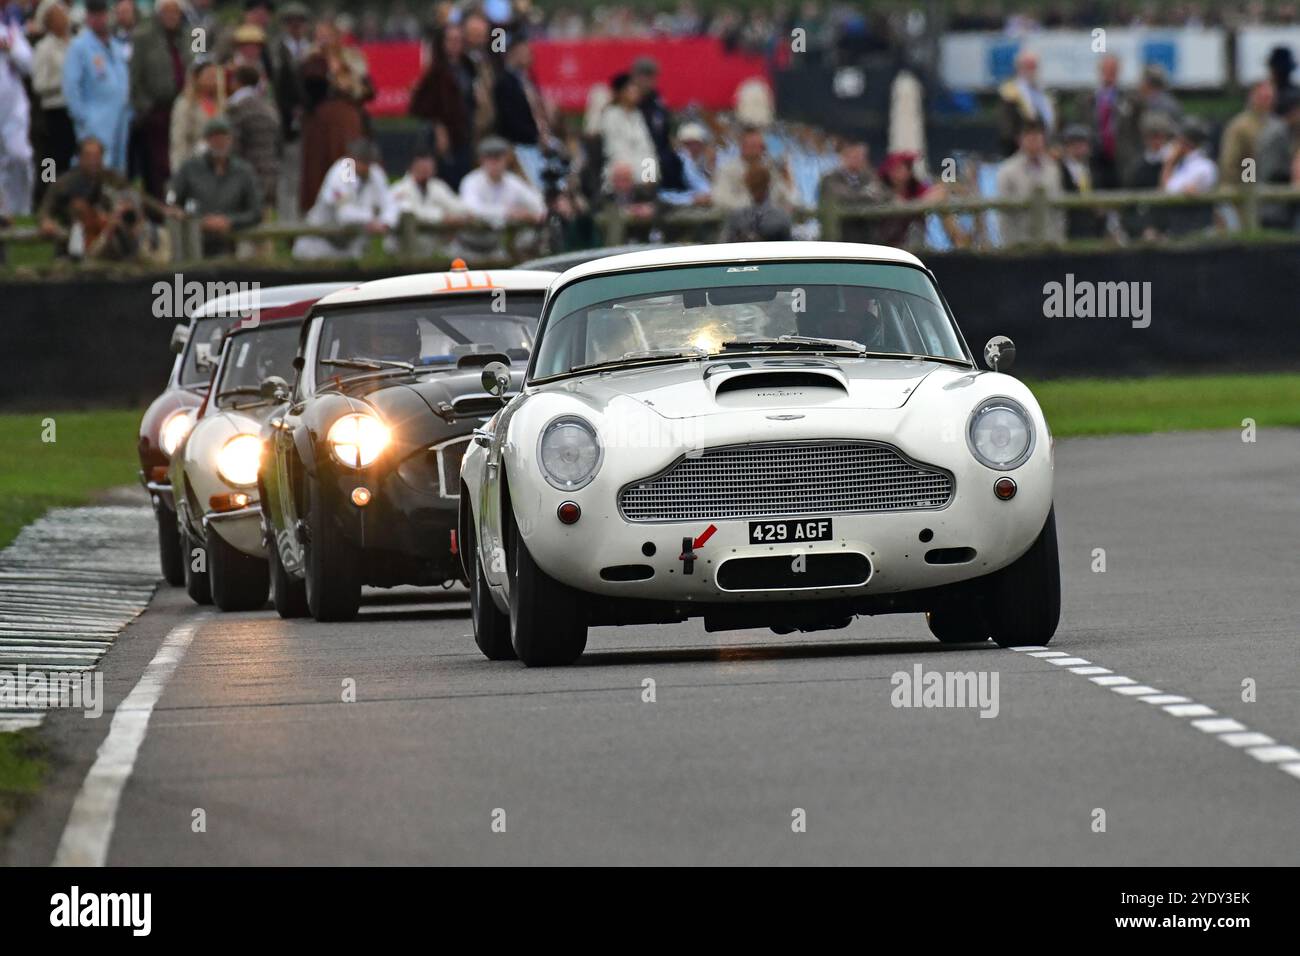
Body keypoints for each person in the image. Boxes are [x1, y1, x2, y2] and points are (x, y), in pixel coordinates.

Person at [298, 18, 371, 214]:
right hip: (320, 124)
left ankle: (350, 204)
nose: (325, 40)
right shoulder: (311, 61)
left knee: (347, 161)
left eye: (328, 35)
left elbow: (368, 91)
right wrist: (328, 68)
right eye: (320, 36)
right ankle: (316, 212)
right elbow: (310, 88)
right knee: (319, 167)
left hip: (347, 124)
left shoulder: (353, 59)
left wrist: (350, 81)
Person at [170, 116, 263, 256]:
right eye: (214, 138)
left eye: (223, 138)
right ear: (207, 141)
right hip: (196, 241)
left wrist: (229, 221)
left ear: (230, 140)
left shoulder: (244, 172)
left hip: (233, 244)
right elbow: (172, 200)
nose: (219, 142)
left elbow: (256, 212)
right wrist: (198, 220)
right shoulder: (189, 169)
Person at [293, 138, 398, 260]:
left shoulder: (374, 172)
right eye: (363, 162)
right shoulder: (341, 171)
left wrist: (386, 222)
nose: (367, 167)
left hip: (348, 249)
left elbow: (389, 202)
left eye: (369, 162)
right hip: (319, 245)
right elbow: (344, 214)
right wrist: (371, 220)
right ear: (351, 158)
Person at [128, 0, 190, 199]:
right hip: (156, 111)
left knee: (181, 160)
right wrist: (144, 107)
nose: (172, 16)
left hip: (183, 108)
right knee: (156, 166)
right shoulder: (143, 36)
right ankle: (157, 210)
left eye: (176, 12)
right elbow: (134, 77)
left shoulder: (190, 35)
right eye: (168, 11)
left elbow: (197, 62)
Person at [409, 22, 474, 189]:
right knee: (444, 177)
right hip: (444, 134)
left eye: (459, 39)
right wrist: (439, 127)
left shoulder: (467, 67)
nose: (455, 44)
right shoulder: (436, 71)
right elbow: (422, 106)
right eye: (451, 40)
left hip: (465, 131)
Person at [38, 136, 128, 255]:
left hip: (110, 234)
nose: (93, 161)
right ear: (80, 158)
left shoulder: (112, 179)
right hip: (75, 238)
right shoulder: (64, 183)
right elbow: (46, 209)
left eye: (97, 157)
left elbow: (135, 196)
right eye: (88, 156)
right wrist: (46, 221)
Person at [31, 0, 75, 202]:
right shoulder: (44, 48)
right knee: (51, 160)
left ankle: (67, 200)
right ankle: (47, 198)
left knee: (68, 158)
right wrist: (65, 81)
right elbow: (39, 84)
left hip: (72, 110)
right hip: (53, 111)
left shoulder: (73, 43)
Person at [995, 119, 1065, 246]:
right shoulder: (1006, 171)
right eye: (1029, 136)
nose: (1034, 141)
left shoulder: (1053, 168)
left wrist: (1059, 240)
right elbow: (1004, 214)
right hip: (1019, 242)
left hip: (1049, 242)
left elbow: (1059, 211)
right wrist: (1009, 245)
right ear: (1020, 140)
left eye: (1038, 136)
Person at [458, 136, 546, 228]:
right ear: (481, 160)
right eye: (489, 158)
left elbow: (537, 202)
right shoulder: (471, 181)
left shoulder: (512, 181)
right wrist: (507, 212)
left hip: (503, 238)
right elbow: (470, 208)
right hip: (474, 238)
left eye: (498, 158)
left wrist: (533, 214)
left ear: (506, 159)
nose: (494, 163)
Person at [226, 63, 281, 209]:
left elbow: (234, 146)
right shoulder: (269, 108)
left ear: (236, 82)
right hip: (270, 171)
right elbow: (279, 144)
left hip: (247, 173)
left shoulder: (235, 108)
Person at [712, 126, 795, 212]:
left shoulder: (770, 169)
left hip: (770, 219)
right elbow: (720, 200)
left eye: (758, 146)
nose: (754, 150)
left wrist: (786, 176)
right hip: (739, 219)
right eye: (751, 146)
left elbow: (785, 196)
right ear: (742, 146)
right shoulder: (727, 170)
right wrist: (752, 204)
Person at [631, 56, 684, 191]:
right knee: (648, 164)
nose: (646, 81)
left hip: (660, 152)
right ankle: (648, 197)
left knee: (675, 162)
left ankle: (674, 196)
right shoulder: (630, 103)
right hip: (638, 154)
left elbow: (665, 132)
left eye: (650, 76)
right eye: (643, 75)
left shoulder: (657, 102)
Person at [0, 11, 34, 217]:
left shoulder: (11, 29)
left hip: (14, 112)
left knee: (20, 157)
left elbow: (28, 65)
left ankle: (23, 209)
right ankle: (5, 214)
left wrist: (10, 49)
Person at [817, 140, 885, 241]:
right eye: (854, 155)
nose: (858, 159)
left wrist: (855, 196)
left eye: (861, 155)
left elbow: (878, 197)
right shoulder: (830, 178)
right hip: (838, 236)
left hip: (866, 236)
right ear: (844, 156)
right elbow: (838, 196)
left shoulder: (870, 177)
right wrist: (862, 195)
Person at [1159, 117, 1217, 236]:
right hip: (1179, 230)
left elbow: (1169, 190)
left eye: (1177, 140)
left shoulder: (1204, 166)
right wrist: (1169, 163)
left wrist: (1169, 163)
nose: (1174, 144)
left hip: (1198, 232)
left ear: (1186, 143)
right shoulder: (1182, 164)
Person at [599, 72, 657, 186]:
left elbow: (647, 148)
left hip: (642, 175)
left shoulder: (638, 115)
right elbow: (615, 150)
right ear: (621, 93)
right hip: (620, 173)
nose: (636, 94)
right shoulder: (610, 115)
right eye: (631, 90)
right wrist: (635, 175)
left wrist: (649, 175)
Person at [169, 59, 225, 176]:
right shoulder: (186, 104)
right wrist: (179, 170)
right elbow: (179, 139)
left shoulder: (221, 105)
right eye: (209, 75)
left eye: (215, 76)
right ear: (197, 78)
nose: (213, 79)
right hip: (194, 161)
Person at [997, 50, 1056, 156]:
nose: (1031, 70)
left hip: (1045, 151)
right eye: (1028, 66)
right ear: (1019, 68)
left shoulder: (1044, 93)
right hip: (1019, 153)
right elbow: (1007, 129)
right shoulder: (1010, 93)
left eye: (1034, 66)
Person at [1218, 82, 1275, 188]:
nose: (1267, 101)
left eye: (1269, 98)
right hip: (1245, 187)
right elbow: (1231, 161)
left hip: (1269, 184)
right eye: (1263, 97)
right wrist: (1246, 185)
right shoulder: (1241, 126)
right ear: (1252, 97)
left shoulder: (1274, 123)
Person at [493, 36, 545, 147]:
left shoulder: (527, 79)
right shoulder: (505, 82)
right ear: (512, 53)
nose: (528, 56)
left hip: (534, 140)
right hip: (518, 143)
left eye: (529, 52)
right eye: (523, 52)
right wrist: (534, 134)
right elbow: (510, 118)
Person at [1258, 93, 1300, 229]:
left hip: (1270, 201)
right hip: (1274, 203)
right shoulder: (1279, 133)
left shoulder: (1273, 128)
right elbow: (1272, 170)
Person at [721, 164, 792, 242]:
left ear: (766, 184)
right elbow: (726, 243)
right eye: (753, 185)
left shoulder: (780, 218)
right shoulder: (737, 217)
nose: (756, 189)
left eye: (759, 185)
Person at [1058, 124, 1104, 239]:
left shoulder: (1093, 170)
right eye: (1073, 144)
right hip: (1069, 230)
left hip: (1093, 231)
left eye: (1082, 144)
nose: (1079, 148)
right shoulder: (1058, 171)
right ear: (1066, 147)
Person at [599, 160, 658, 242]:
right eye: (618, 179)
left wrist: (648, 209)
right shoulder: (606, 198)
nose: (622, 183)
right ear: (612, 180)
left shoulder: (643, 195)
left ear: (632, 179)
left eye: (625, 179)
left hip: (640, 238)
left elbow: (658, 205)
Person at [659, 121, 714, 206]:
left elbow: (705, 188)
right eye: (688, 144)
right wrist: (691, 199)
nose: (693, 147)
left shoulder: (706, 159)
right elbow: (664, 194)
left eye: (696, 143)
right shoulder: (679, 160)